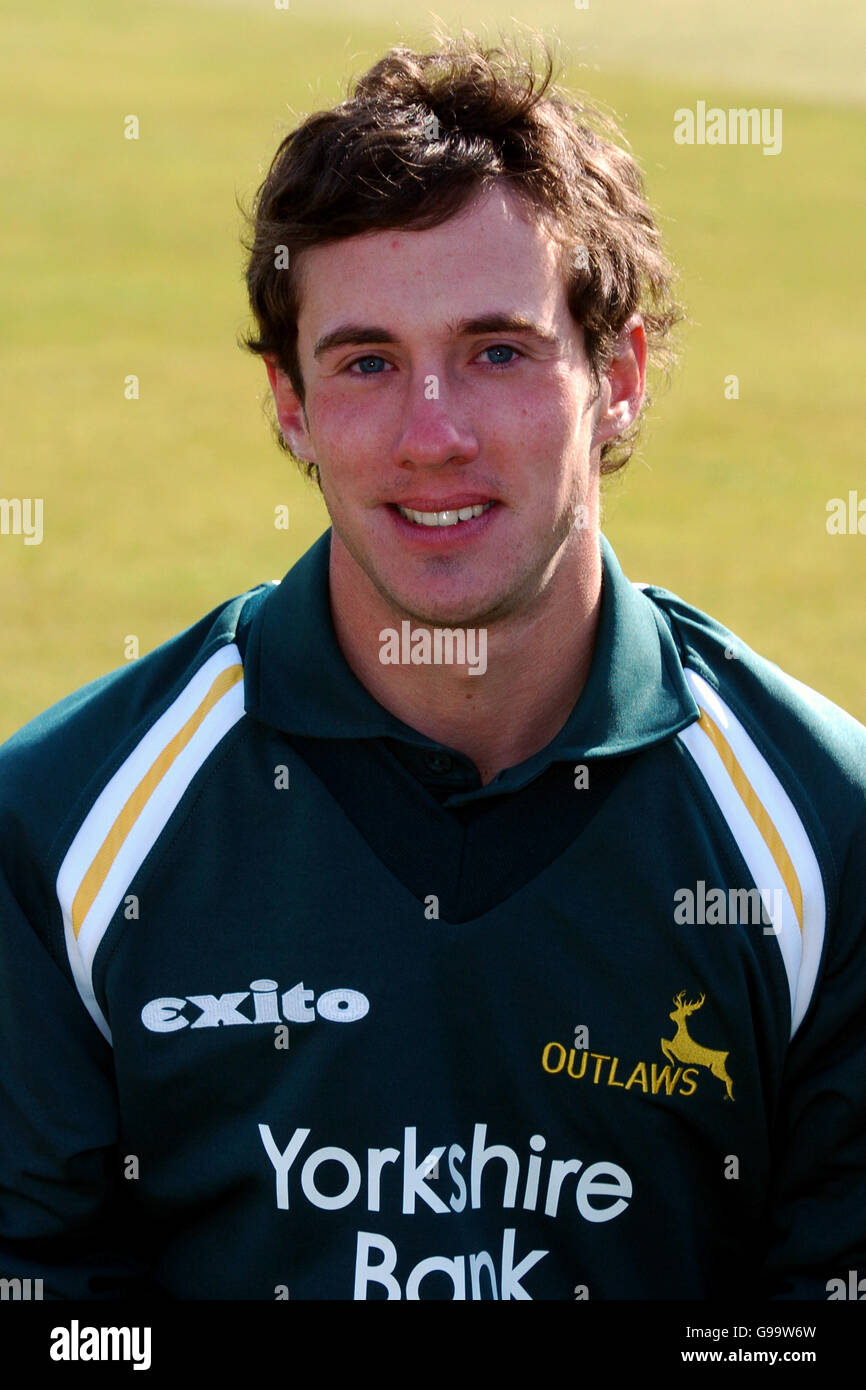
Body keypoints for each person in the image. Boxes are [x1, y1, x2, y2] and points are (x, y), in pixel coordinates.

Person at [0, 31, 863, 1303]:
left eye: (498, 350)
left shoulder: (823, 833)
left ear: (613, 376)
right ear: (289, 406)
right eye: (365, 364)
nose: (432, 435)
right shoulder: (62, 824)